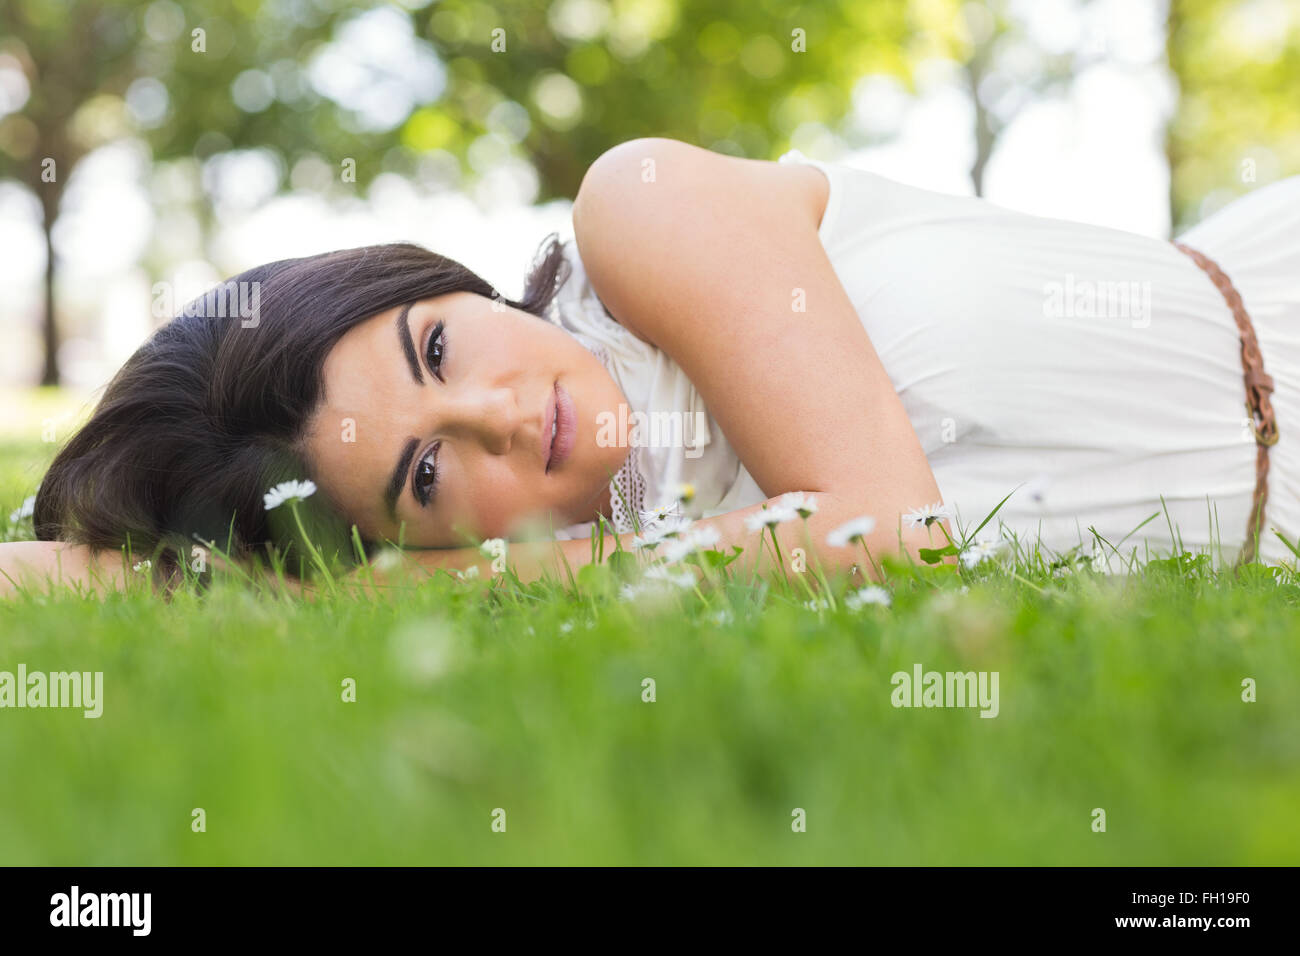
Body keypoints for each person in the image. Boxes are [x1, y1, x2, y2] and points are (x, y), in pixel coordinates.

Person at [3, 136, 1297, 596]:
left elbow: (891, 538)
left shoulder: (640, 214)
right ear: (422, 552)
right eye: (429, 470)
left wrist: (364, 613)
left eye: (440, 346)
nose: (502, 415)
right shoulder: (651, 583)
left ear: (441, 282)